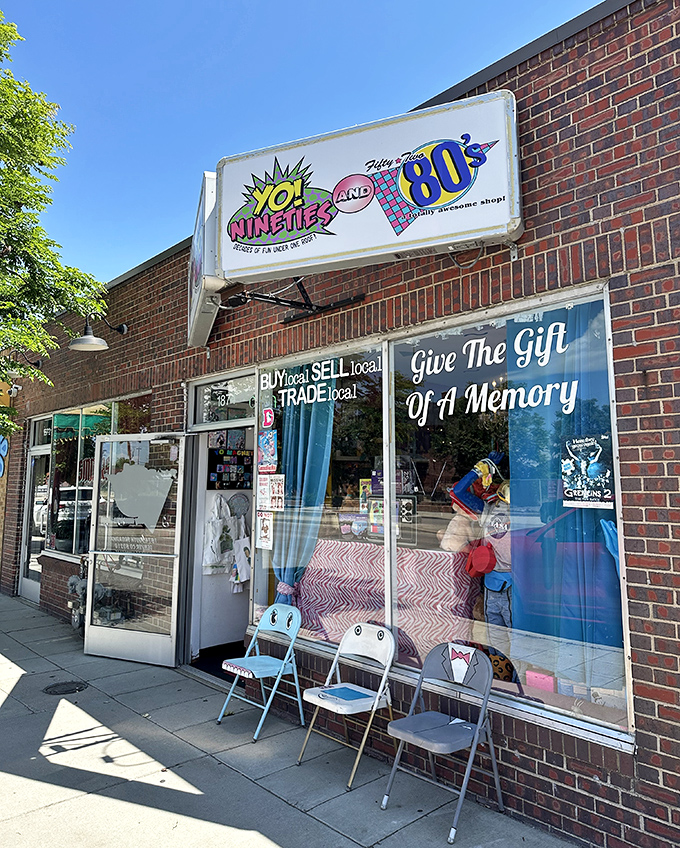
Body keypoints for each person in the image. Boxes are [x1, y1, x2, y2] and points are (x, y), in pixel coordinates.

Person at [452, 451, 512, 649]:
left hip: (516, 585)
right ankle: (501, 677)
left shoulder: (527, 511)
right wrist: (480, 468)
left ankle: (517, 679)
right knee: (497, 644)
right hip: (492, 584)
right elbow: (458, 492)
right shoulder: (490, 510)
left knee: (519, 645)